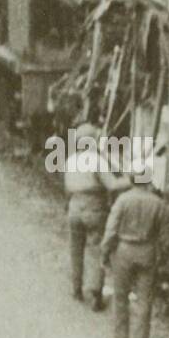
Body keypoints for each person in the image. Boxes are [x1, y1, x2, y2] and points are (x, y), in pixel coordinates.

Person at [102, 160, 169, 338]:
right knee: (144, 298)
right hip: (147, 252)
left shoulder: (122, 200)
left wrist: (105, 252)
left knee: (120, 296)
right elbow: (165, 237)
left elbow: (111, 230)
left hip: (124, 251)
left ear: (131, 179)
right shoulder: (159, 204)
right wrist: (162, 257)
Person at [64, 124, 127, 310]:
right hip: (94, 207)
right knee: (96, 249)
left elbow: (67, 188)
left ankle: (76, 289)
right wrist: (132, 180)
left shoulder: (70, 160)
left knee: (75, 249)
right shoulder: (96, 160)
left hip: (74, 206)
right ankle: (95, 295)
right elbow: (112, 185)